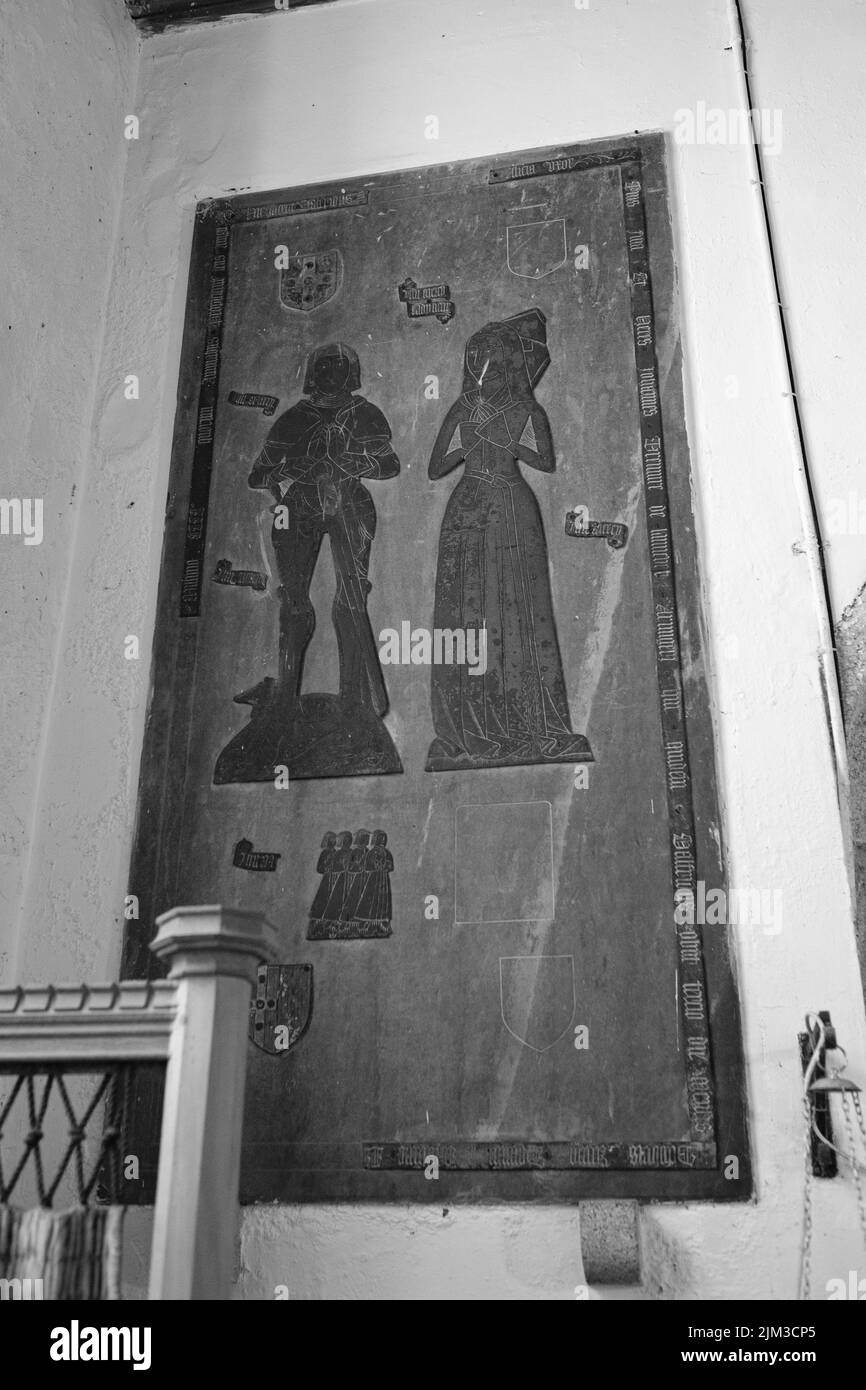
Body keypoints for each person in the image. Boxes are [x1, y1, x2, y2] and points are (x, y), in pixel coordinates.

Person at [425, 309, 592, 770]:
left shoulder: (525, 409)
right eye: (477, 367)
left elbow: (543, 460)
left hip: (512, 511)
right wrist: (470, 433)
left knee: (519, 612)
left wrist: (507, 436)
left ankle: (533, 725)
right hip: (468, 511)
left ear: (511, 369)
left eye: (494, 367)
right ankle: (471, 729)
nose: (484, 376)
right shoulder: (462, 409)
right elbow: (437, 466)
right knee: (468, 612)